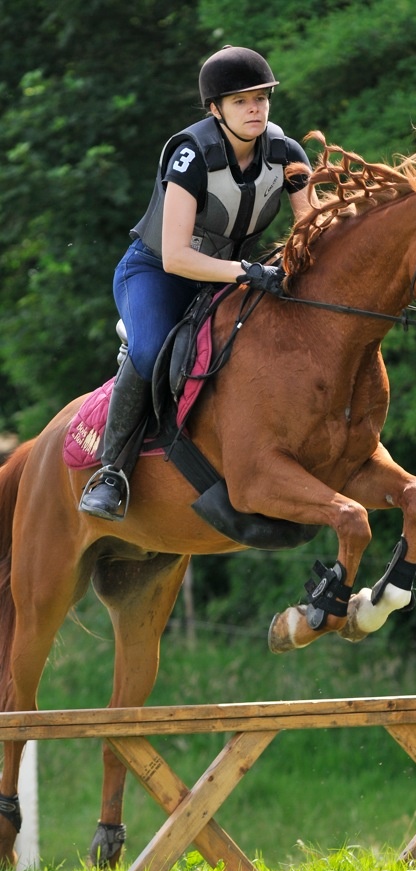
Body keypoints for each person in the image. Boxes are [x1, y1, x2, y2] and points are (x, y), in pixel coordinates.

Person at [79, 45, 314, 520]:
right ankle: (110, 473)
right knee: (150, 350)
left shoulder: (287, 154)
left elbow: (311, 228)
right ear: (215, 109)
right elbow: (178, 255)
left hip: (232, 275)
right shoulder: (191, 156)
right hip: (158, 273)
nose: (255, 109)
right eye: (241, 101)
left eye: (261, 99)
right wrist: (248, 272)